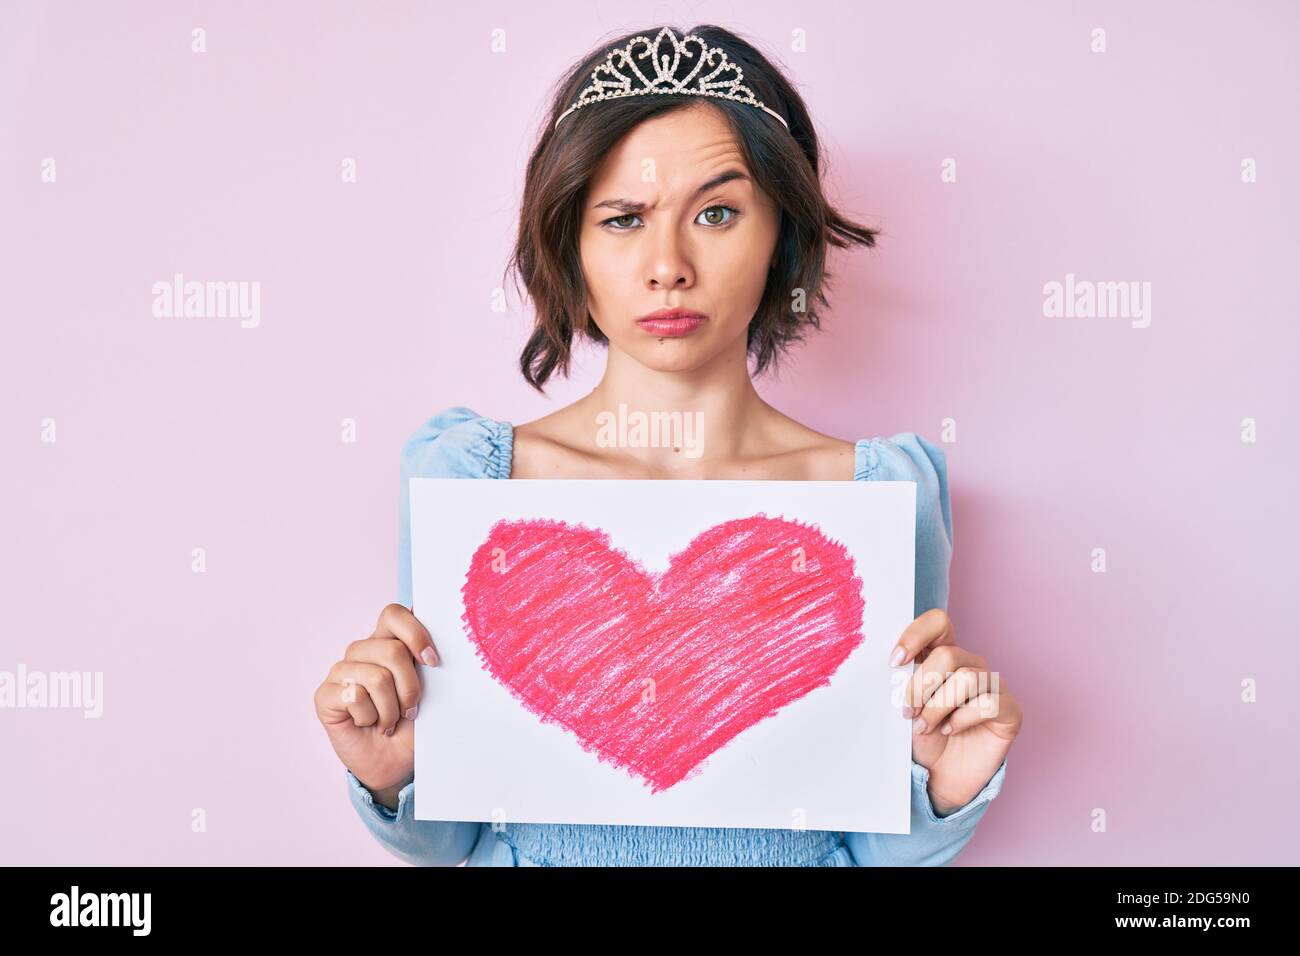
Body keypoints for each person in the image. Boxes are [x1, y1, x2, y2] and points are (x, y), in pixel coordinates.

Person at [314, 23, 1021, 866]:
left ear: (779, 235)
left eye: (716, 213)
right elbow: (452, 837)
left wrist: (945, 785)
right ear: (570, 240)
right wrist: (394, 778)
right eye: (623, 218)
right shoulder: (470, 481)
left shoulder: (880, 498)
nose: (668, 265)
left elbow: (871, 846)